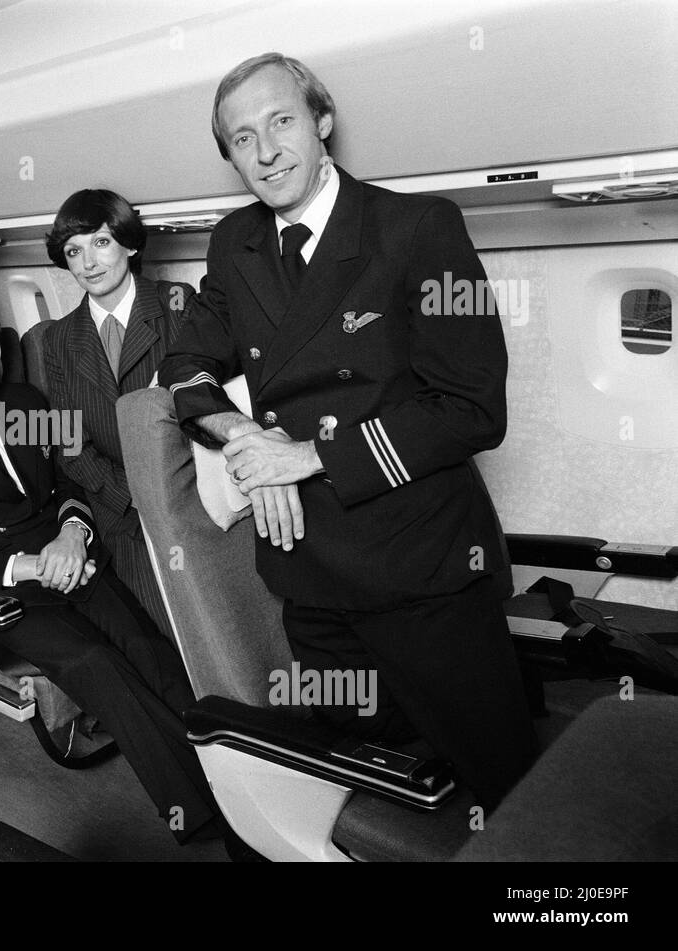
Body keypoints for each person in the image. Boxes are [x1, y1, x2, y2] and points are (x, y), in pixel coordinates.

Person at [159, 52, 537, 810]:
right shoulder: (234, 244)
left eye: (281, 122)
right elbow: (184, 369)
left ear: (322, 120)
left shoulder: (420, 227)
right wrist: (246, 441)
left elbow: (472, 408)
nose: (264, 152)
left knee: (508, 786)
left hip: (418, 564)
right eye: (240, 139)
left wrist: (304, 456)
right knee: (372, 777)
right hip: (306, 569)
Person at [0, 289, 217, 840]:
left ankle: (235, 773)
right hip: (5, 589)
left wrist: (72, 534)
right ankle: (202, 812)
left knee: (148, 648)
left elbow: (67, 482)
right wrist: (32, 565)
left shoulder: (25, 406)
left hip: (68, 558)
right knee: (96, 662)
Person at [41, 189, 194, 637]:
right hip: (118, 509)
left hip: (189, 495)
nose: (88, 263)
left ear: (130, 243)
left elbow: (209, 405)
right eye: (74, 251)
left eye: (101, 243)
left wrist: (165, 490)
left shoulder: (177, 305)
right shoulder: (59, 339)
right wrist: (129, 495)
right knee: (158, 633)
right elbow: (70, 443)